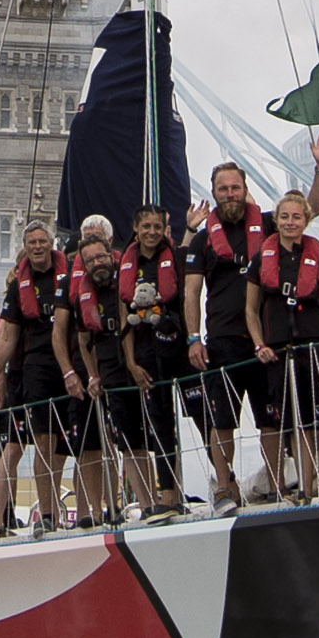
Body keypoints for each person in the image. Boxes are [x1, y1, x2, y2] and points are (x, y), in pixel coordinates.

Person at [246, 187, 319, 501]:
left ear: (306, 221)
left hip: (317, 346)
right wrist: (259, 345)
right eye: (284, 217)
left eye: (296, 217)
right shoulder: (262, 259)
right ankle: (306, 489)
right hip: (281, 351)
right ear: (277, 221)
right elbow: (250, 311)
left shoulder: (318, 255)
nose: (290, 222)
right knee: (299, 423)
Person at [179, 161, 275, 509]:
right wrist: (194, 337)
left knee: (271, 420)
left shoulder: (267, 224)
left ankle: (276, 484)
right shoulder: (204, 239)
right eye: (223, 189)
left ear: (245, 189)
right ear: (214, 193)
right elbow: (191, 292)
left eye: (235, 188)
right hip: (222, 340)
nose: (230, 194)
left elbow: (310, 207)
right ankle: (223, 487)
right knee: (222, 422)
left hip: (266, 339)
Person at [0, 222, 74, 534]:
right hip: (36, 368)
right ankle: (47, 514)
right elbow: (6, 336)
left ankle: (92, 509)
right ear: (26, 246)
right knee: (42, 442)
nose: (37, 246)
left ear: (51, 243)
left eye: (42, 241)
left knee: (83, 441)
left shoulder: (71, 272)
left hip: (72, 364)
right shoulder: (17, 287)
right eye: (31, 242)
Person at [65, 213, 142, 526]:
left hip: (129, 370)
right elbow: (81, 338)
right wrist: (86, 373)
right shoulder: (77, 288)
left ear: (111, 247)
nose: (96, 261)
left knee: (135, 442)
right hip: (98, 374)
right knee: (94, 445)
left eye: (100, 254)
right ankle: (92, 511)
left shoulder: (126, 275)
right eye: (89, 258)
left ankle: (146, 502)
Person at [122, 202, 189, 519]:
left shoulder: (176, 257)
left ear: (166, 229)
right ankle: (168, 494)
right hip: (148, 355)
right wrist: (132, 364)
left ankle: (224, 486)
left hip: (179, 348)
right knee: (161, 426)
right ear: (136, 228)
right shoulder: (128, 263)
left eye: (157, 227)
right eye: (145, 226)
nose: (151, 232)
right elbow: (125, 322)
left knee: (204, 418)